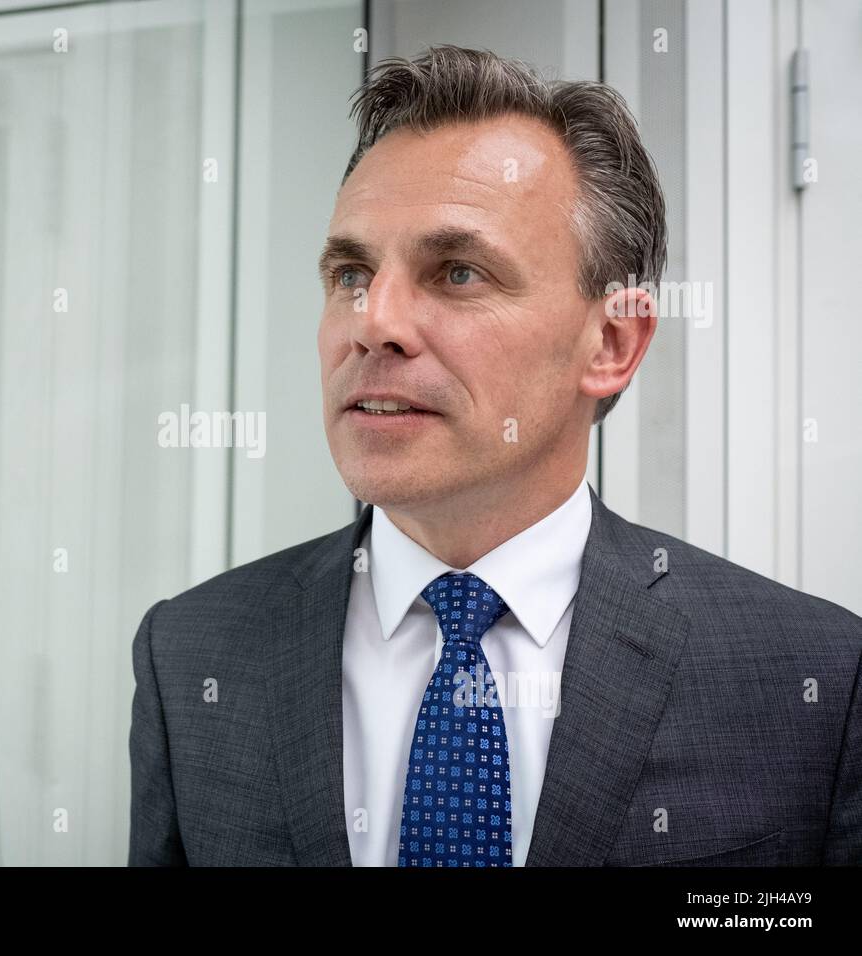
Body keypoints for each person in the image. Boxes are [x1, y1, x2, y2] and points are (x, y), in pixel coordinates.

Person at [127, 45, 862, 866]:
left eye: (459, 272)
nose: (375, 322)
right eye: (350, 273)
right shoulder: (191, 657)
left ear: (612, 343)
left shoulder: (810, 680)